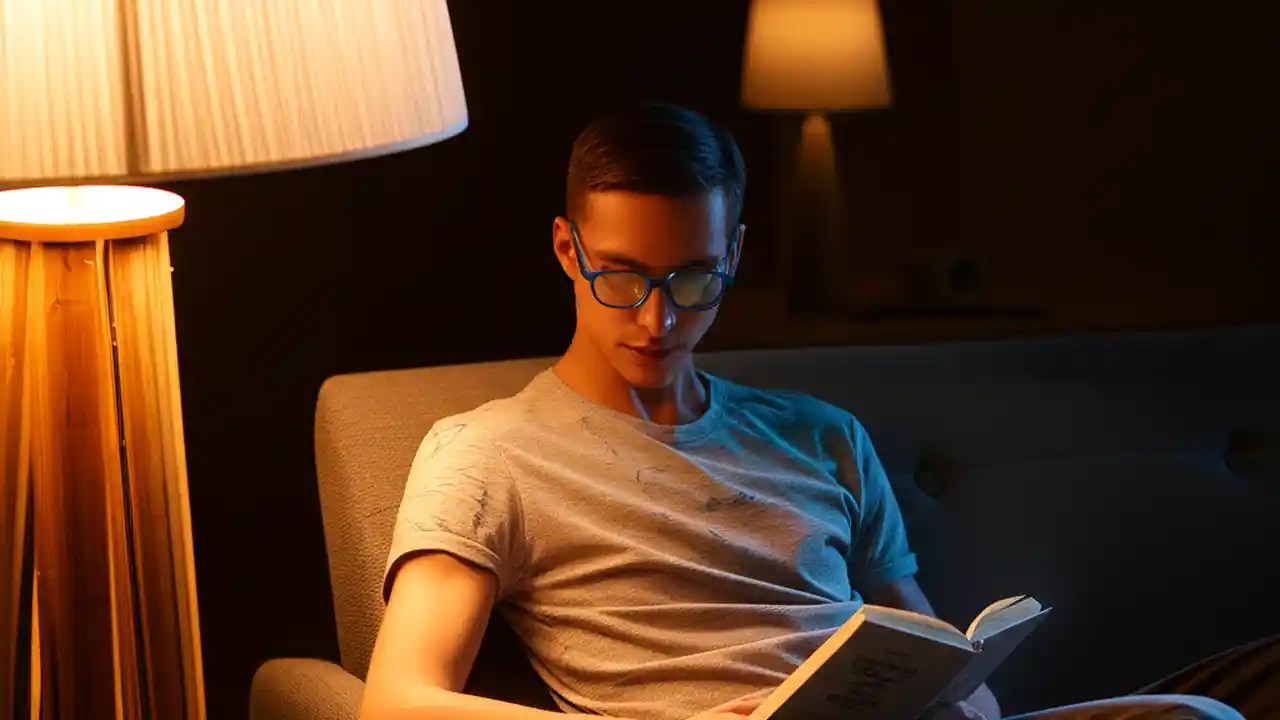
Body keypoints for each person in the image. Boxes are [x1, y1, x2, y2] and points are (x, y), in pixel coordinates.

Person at [359, 105, 1275, 720]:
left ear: (735, 253)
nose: (657, 318)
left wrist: (965, 694)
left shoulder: (822, 435)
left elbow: (939, 651)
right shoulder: (486, 452)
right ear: (567, 248)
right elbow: (398, 699)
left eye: (692, 279)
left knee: (1217, 703)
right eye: (622, 276)